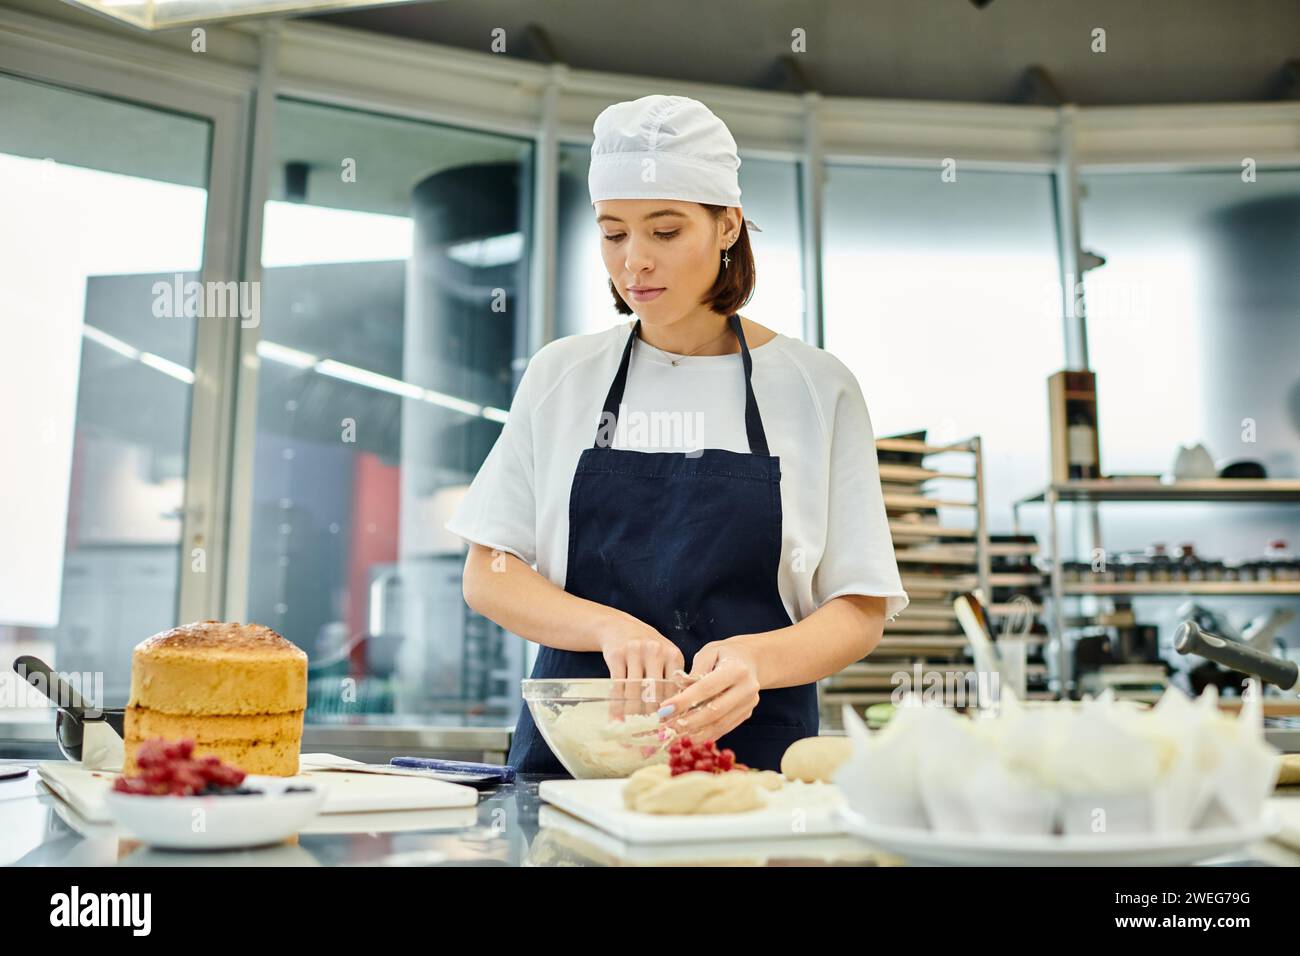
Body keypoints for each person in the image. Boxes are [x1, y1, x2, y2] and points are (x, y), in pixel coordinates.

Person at [447, 93, 908, 774]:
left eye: (664, 232)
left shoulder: (816, 386)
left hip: (754, 765)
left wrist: (758, 658)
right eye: (613, 232)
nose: (635, 261)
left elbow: (860, 605)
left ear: (728, 226)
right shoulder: (563, 375)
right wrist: (605, 626)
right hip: (575, 764)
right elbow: (489, 575)